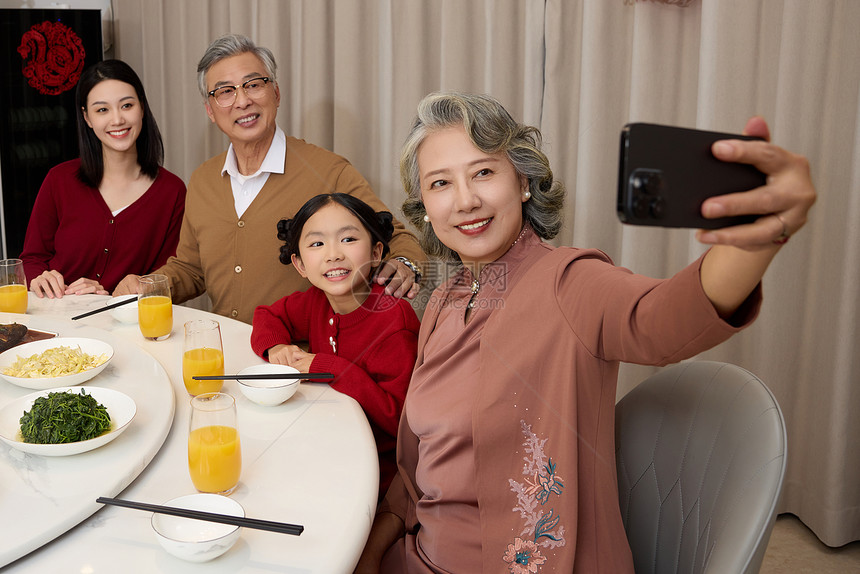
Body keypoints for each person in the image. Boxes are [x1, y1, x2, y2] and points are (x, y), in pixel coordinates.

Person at [356, 92, 816, 573]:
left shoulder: (569, 281)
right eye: (440, 183)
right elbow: (414, 474)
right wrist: (370, 555)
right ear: (424, 206)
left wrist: (755, 238)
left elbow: (664, 319)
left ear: (524, 181)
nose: (466, 199)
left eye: (484, 172)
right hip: (417, 554)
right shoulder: (447, 297)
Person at [113, 34, 425, 323]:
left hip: (299, 360)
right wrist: (149, 285)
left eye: (253, 85)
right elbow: (192, 269)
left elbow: (395, 236)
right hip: (226, 354)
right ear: (210, 110)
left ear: (275, 93)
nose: (242, 101)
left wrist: (405, 264)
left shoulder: (327, 170)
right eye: (225, 92)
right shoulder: (203, 180)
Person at [251, 193, 420, 498]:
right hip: (324, 443)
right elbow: (268, 315)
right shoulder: (316, 301)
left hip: (376, 471)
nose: (333, 255)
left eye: (348, 239)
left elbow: (402, 422)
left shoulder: (393, 320)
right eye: (317, 244)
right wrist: (276, 347)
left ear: (376, 251)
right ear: (300, 264)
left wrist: (329, 368)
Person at [20, 60, 186, 297]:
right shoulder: (59, 180)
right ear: (87, 118)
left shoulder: (172, 192)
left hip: (126, 327)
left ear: (142, 108)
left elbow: (163, 279)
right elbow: (33, 258)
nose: (117, 119)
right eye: (102, 110)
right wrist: (40, 279)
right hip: (58, 321)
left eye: (127, 105)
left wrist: (113, 295)